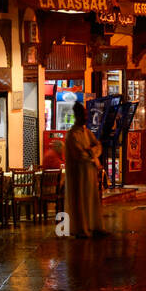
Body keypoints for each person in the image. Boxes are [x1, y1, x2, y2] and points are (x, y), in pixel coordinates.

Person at [63, 102, 106, 238]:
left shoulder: (87, 133)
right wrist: (92, 154)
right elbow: (79, 154)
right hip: (79, 176)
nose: (86, 118)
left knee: (91, 200)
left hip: (89, 173)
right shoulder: (72, 135)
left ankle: (93, 226)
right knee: (80, 200)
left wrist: (91, 152)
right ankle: (82, 228)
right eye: (84, 115)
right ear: (77, 116)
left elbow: (98, 146)